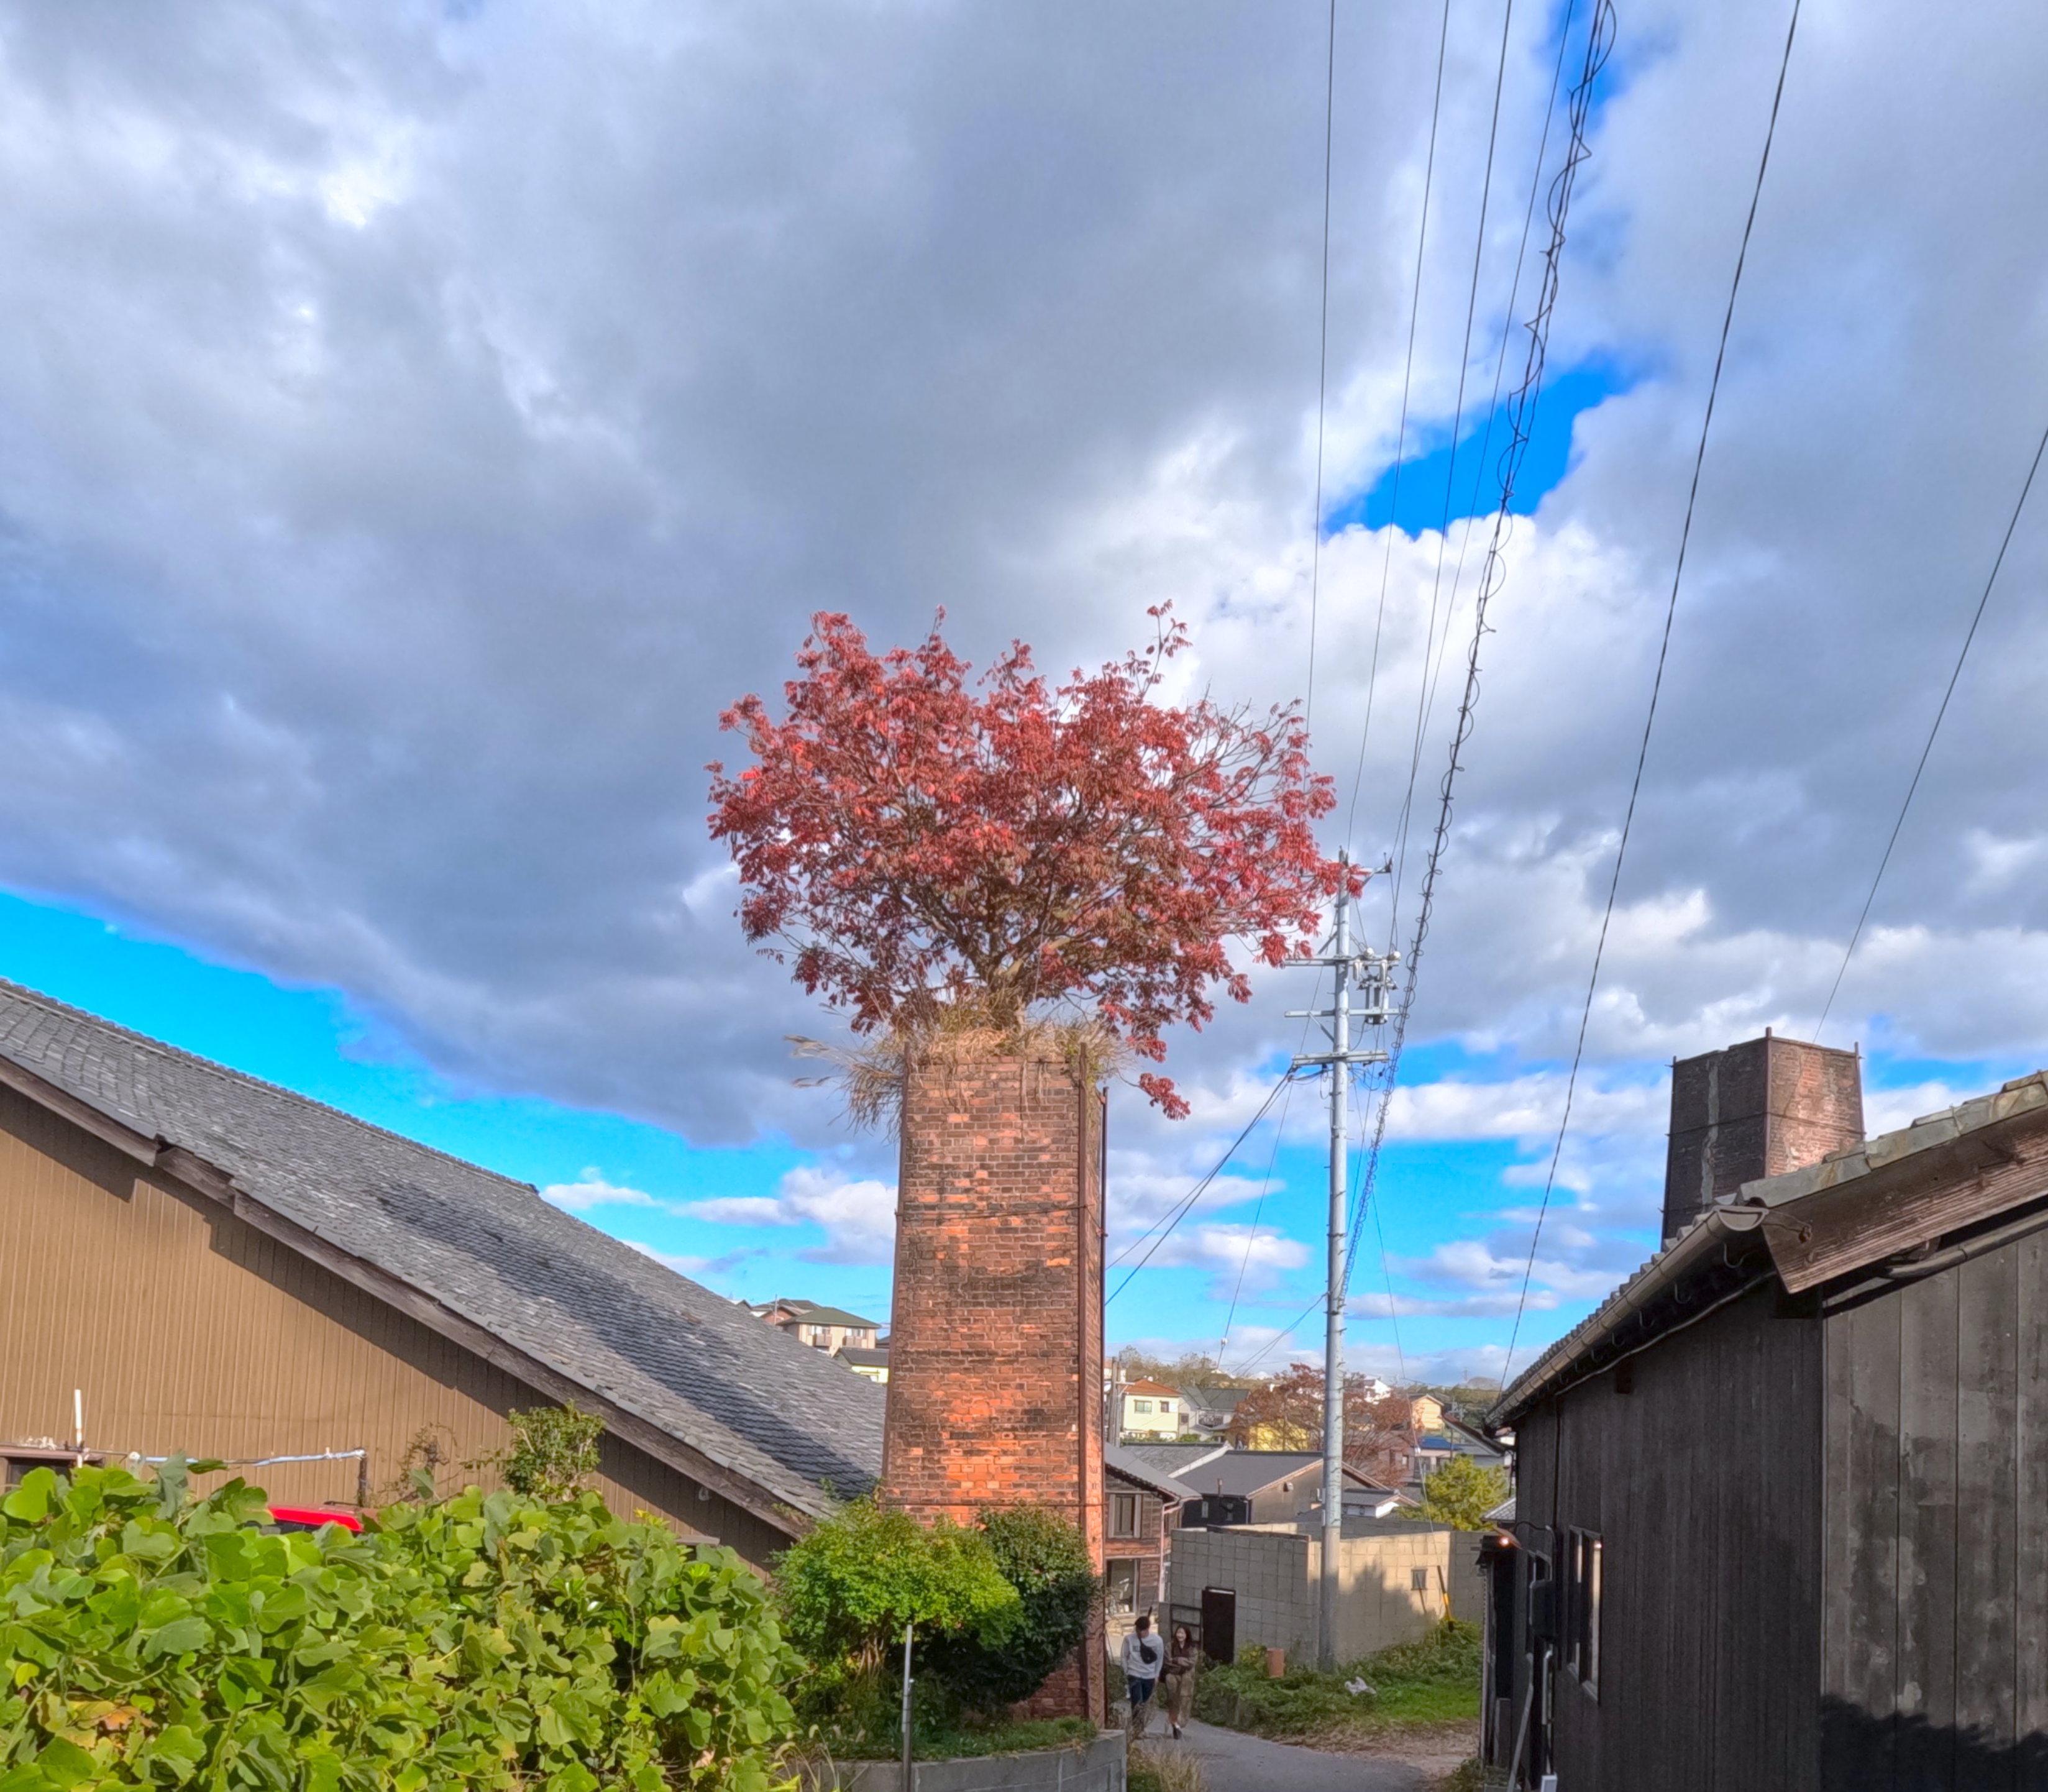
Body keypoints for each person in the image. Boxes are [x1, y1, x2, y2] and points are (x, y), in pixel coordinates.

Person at [1121, 1613, 1163, 1737]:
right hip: (1134, 1673)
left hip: (1149, 1675)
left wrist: (1157, 1675)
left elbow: (1159, 1659)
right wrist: (1126, 1671)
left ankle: (1141, 1726)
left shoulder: (1157, 1641)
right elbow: (1124, 1656)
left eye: (1143, 1630)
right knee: (1137, 1701)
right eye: (1138, 1630)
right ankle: (1137, 1730)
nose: (1140, 1633)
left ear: (1148, 1629)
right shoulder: (1129, 1639)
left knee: (1144, 1703)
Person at [1159, 1623, 1199, 1739]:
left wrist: (1177, 1660)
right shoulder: (1170, 1646)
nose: (1180, 1635)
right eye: (1178, 1632)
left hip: (1187, 1677)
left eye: (1182, 1633)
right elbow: (1168, 1661)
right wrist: (1181, 1663)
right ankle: (1175, 1724)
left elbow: (1192, 1662)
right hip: (1172, 1676)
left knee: (1185, 1699)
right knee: (1173, 1699)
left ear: (1187, 1635)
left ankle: (1179, 1724)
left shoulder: (1192, 1648)